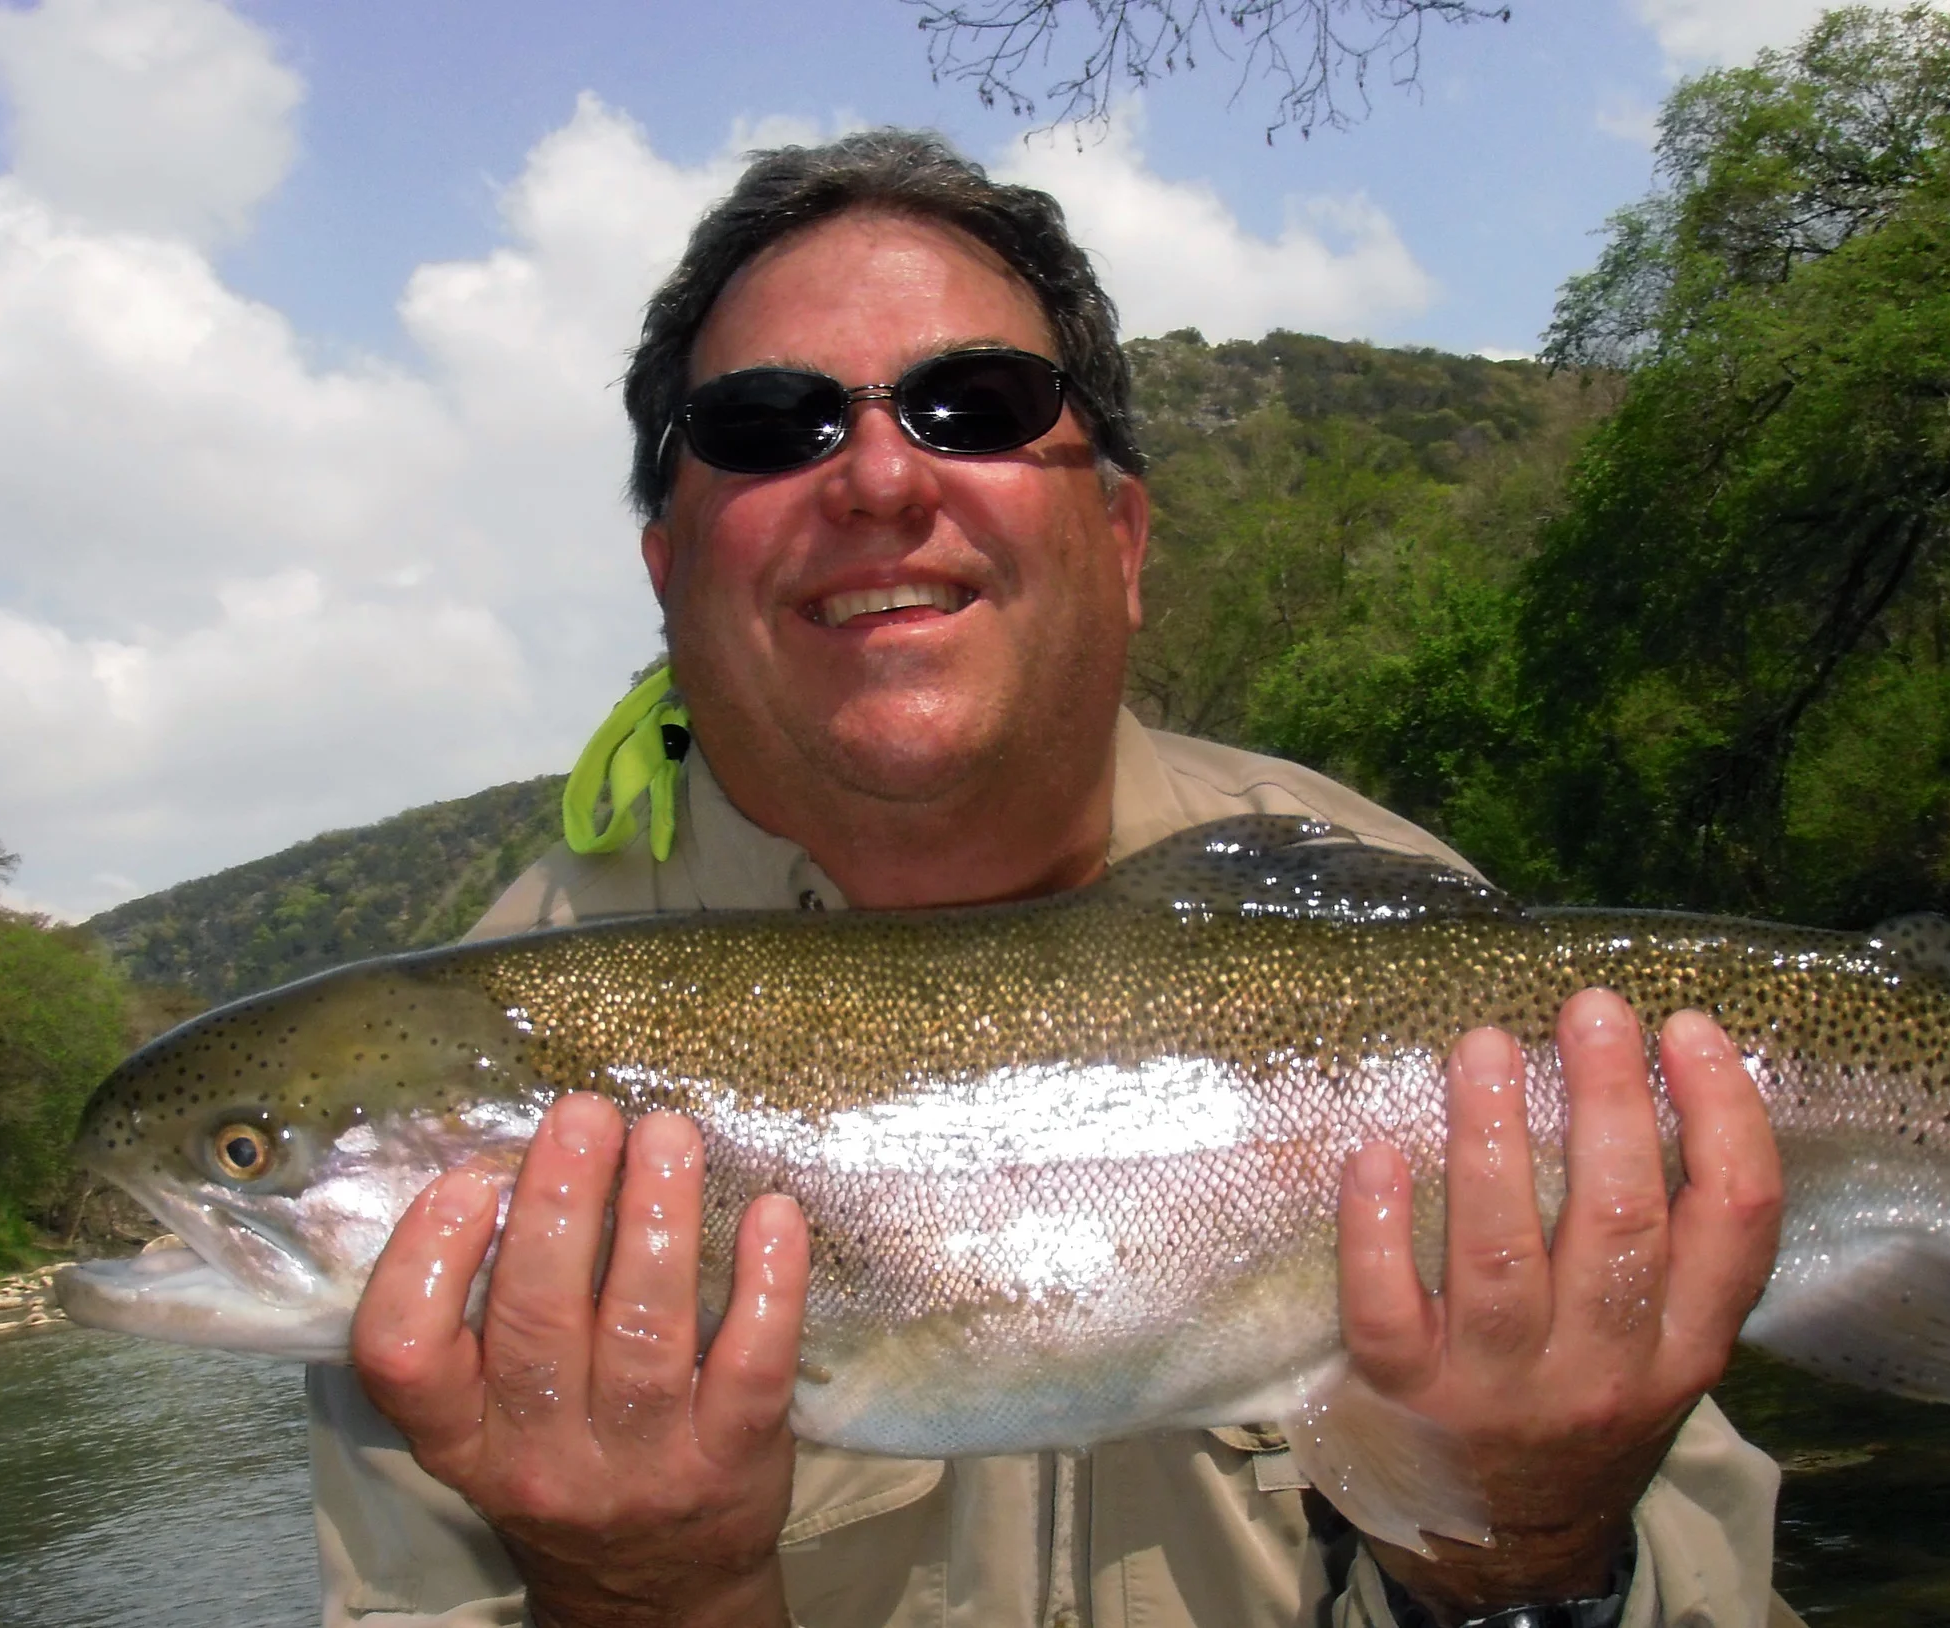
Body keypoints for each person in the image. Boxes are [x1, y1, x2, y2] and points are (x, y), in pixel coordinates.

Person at [312, 130, 1793, 1628]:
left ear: (1125, 539)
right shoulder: (477, 1063)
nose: (880, 476)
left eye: (978, 407)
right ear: (668, 570)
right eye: (771, 426)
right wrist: (647, 1604)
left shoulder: (1405, 934)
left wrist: (1524, 1562)